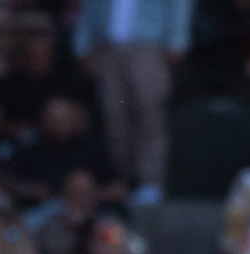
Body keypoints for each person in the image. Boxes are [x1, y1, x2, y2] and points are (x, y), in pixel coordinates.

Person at [74, 0, 191, 204]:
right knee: (114, 117)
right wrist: (83, 42)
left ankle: (150, 183)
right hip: (108, 44)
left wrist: (177, 38)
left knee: (150, 115)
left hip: (149, 43)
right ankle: (122, 181)